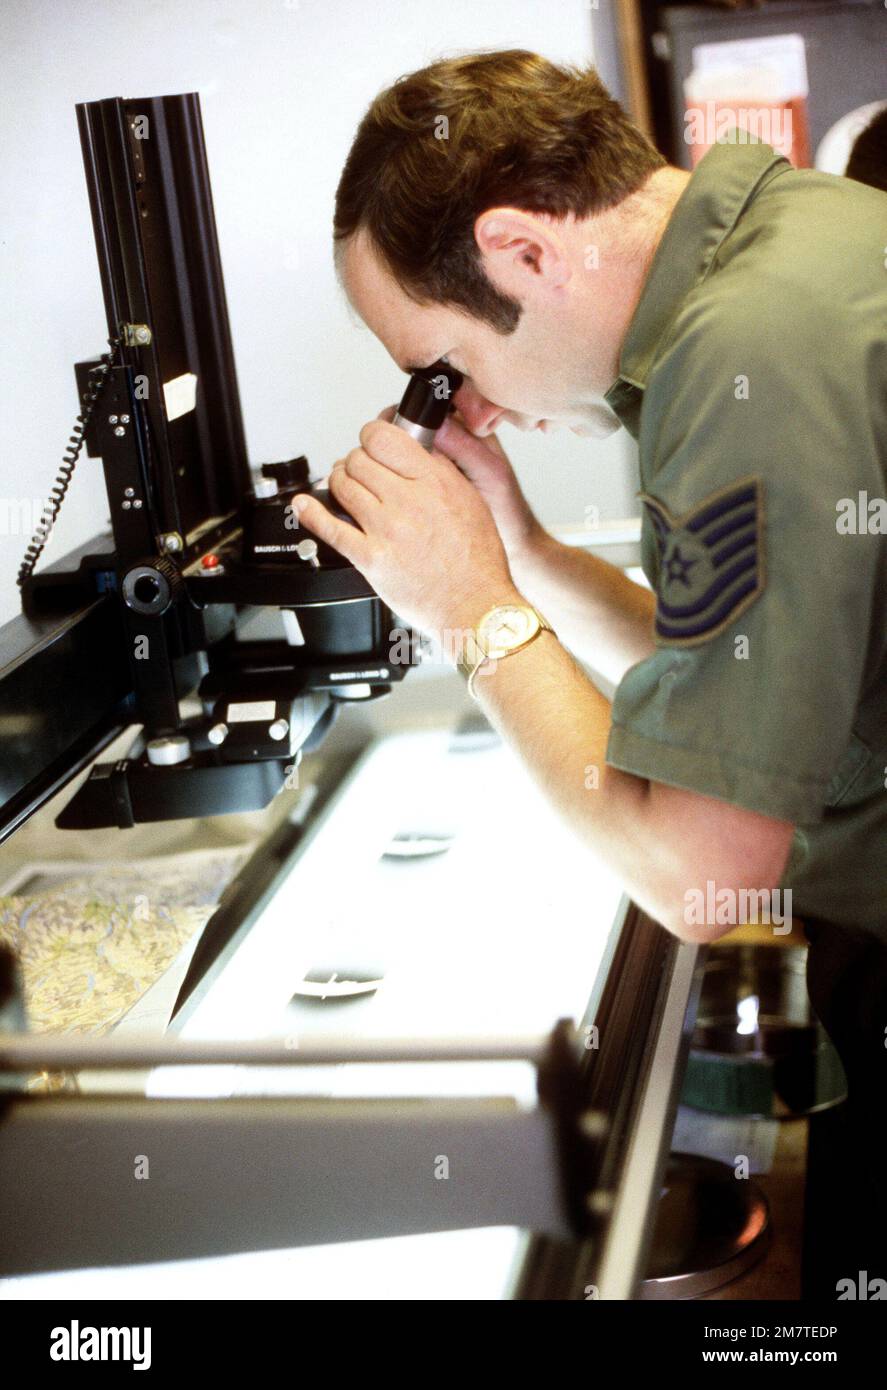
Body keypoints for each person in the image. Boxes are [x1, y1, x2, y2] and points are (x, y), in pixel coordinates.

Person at [292, 50, 887, 1292]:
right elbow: (733, 668)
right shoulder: (794, 237)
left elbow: (705, 879)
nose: (472, 410)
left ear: (520, 249)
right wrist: (526, 554)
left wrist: (470, 613)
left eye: (442, 363)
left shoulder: (746, 358)